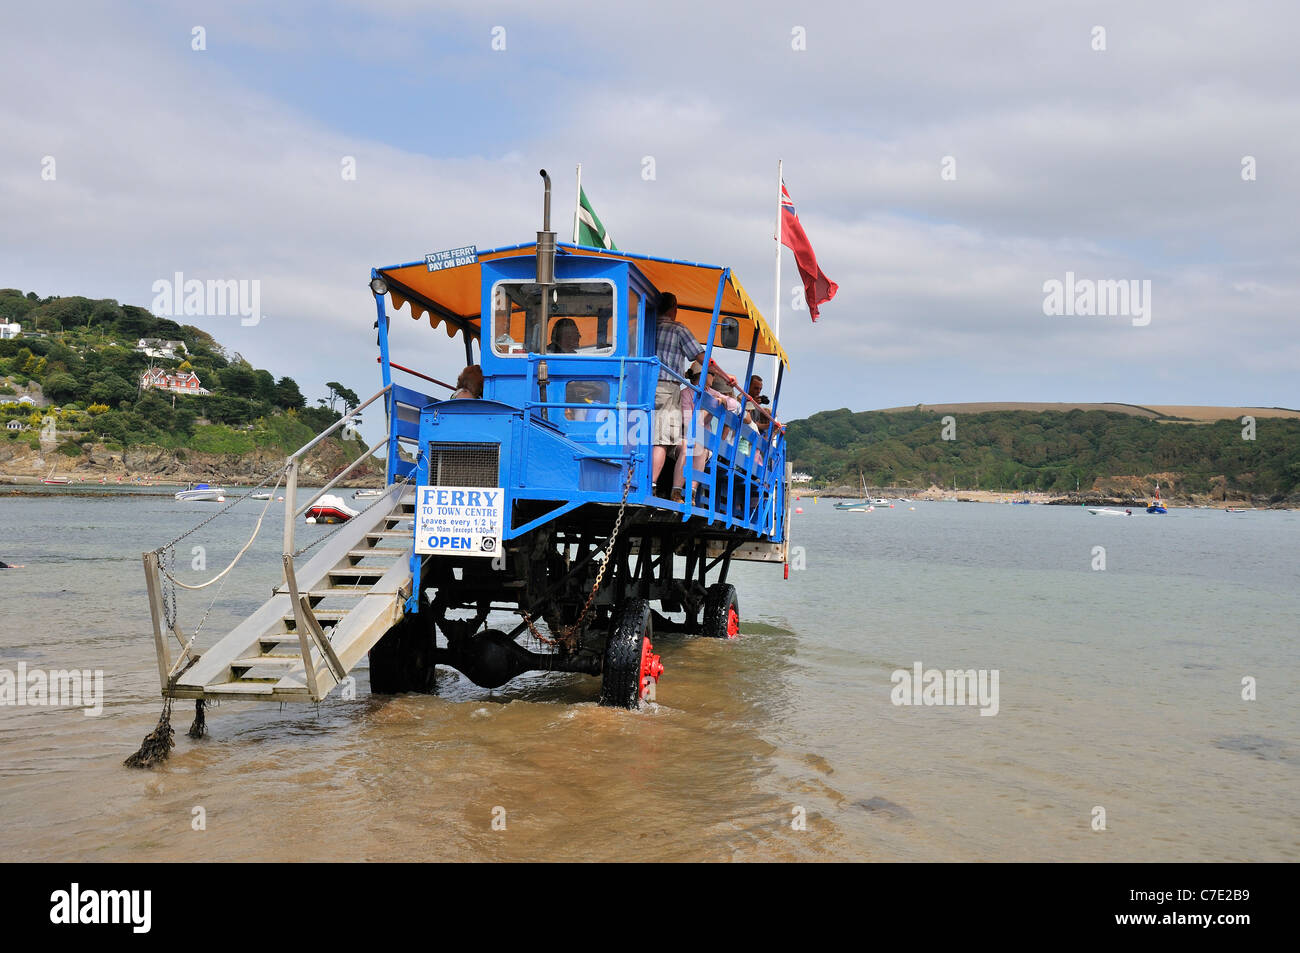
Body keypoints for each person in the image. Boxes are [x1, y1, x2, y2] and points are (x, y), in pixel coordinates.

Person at [651, 292, 705, 502]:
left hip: (640, 386)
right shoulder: (678, 329)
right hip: (666, 387)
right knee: (661, 441)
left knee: (638, 437)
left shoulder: (641, 327)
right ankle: (653, 487)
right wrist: (723, 375)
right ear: (674, 308)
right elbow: (701, 356)